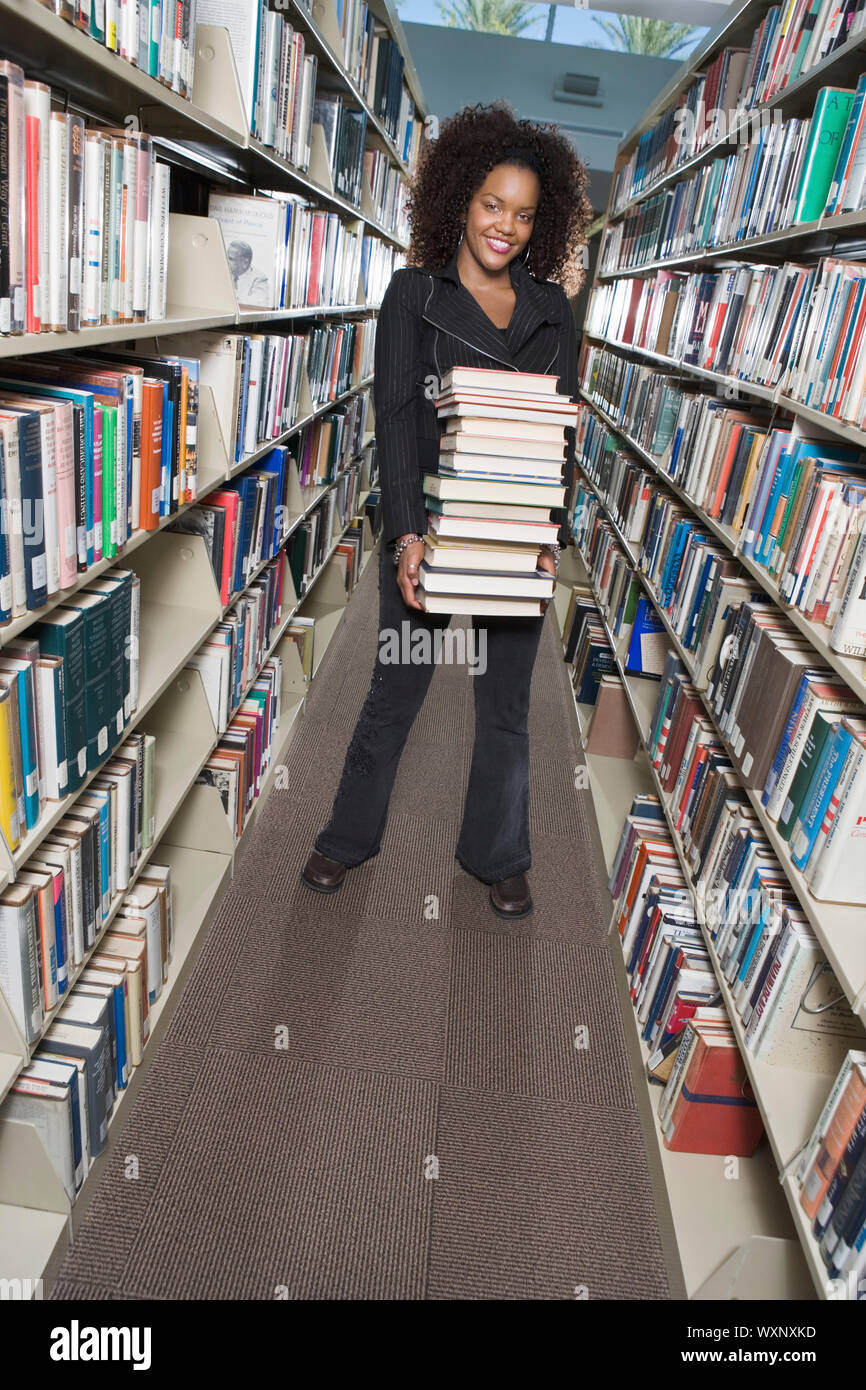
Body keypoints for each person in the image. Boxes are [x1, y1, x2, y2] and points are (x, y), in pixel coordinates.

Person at [301, 101, 590, 917]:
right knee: (397, 687)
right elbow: (395, 416)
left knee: (505, 704)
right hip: (431, 531)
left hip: (513, 538)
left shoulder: (551, 312)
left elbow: (558, 431)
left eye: (525, 214)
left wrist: (548, 534)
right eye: (492, 204)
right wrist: (402, 538)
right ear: (461, 197)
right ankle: (345, 838)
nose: (506, 226)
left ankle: (498, 854)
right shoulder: (412, 297)